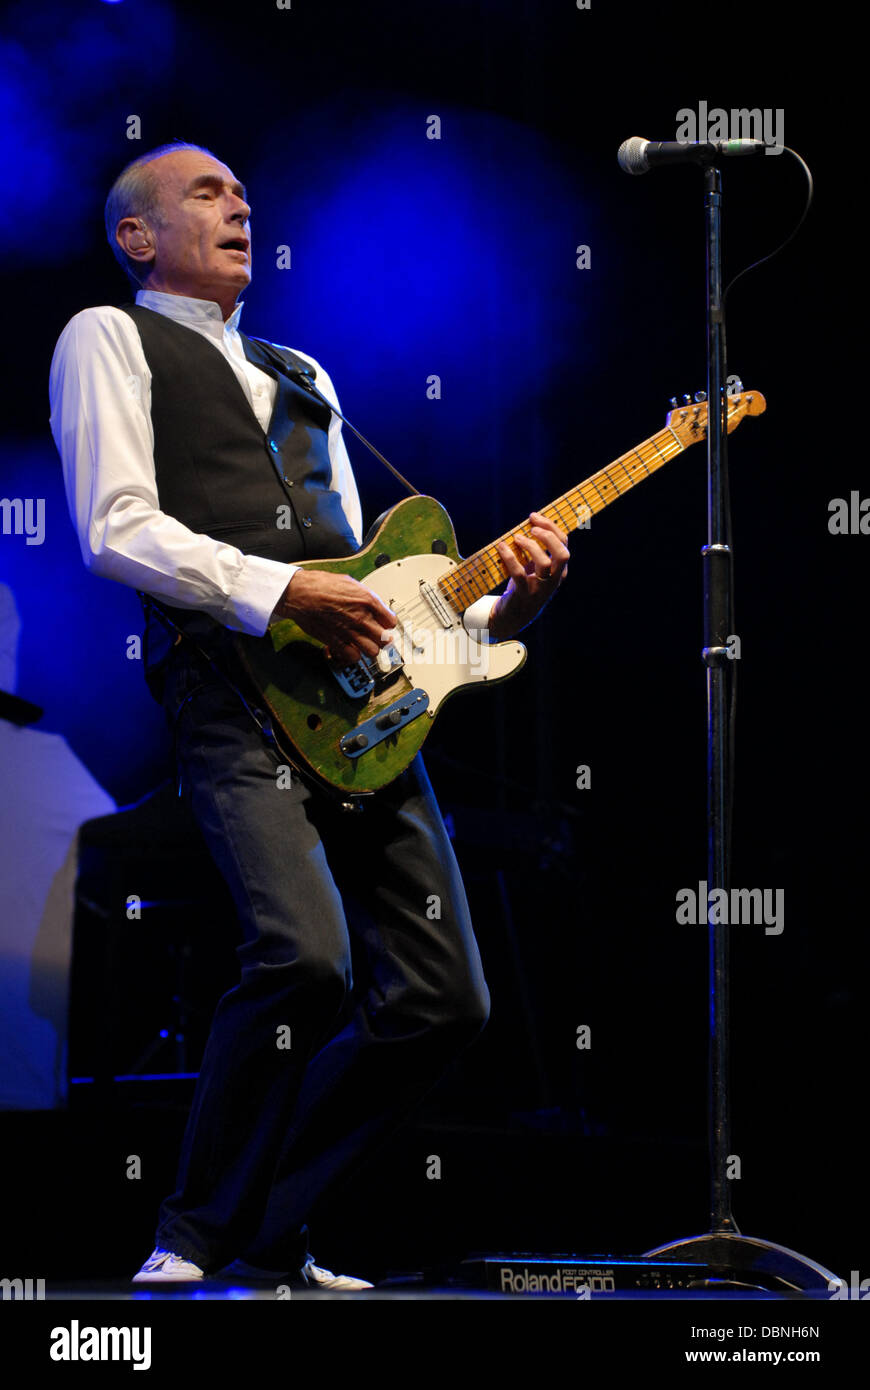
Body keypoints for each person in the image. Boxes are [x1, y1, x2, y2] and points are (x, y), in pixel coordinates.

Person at [49, 141, 570, 1289]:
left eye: (244, 190)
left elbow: (364, 574)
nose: (241, 204)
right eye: (207, 193)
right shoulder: (108, 336)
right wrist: (277, 589)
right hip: (228, 688)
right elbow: (113, 525)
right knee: (302, 956)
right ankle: (191, 1234)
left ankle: (274, 1228)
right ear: (137, 237)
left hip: (362, 703)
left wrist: (503, 595)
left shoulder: (305, 374)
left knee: (443, 999)